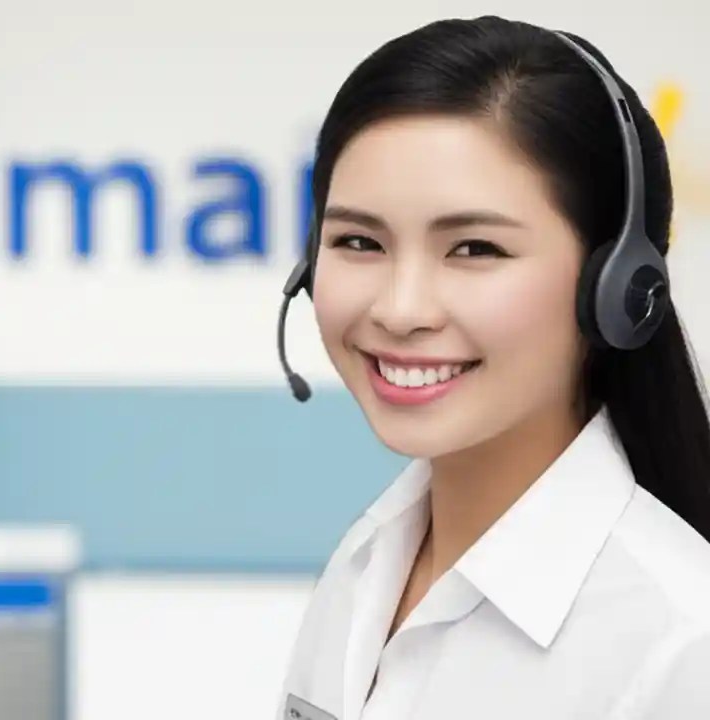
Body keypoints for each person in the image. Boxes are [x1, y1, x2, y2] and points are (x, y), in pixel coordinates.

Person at [275, 16, 710, 720]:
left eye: (474, 249)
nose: (400, 308)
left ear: (618, 289)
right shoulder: (367, 561)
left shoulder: (681, 645)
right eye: (359, 240)